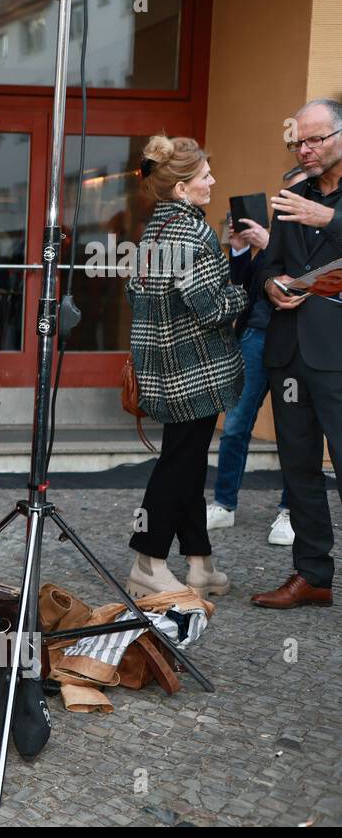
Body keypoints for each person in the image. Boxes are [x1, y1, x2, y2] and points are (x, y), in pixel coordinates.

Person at [125, 135, 246, 601]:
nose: (213, 180)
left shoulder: (154, 231)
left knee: (187, 458)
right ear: (181, 188)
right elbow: (213, 308)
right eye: (204, 175)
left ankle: (200, 563)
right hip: (194, 369)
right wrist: (246, 289)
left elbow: (136, 296)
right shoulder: (191, 232)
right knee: (180, 463)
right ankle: (148, 561)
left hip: (162, 365)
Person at [254, 99, 342, 610]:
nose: (304, 149)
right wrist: (271, 285)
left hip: (337, 356)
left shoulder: (317, 204)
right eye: (298, 142)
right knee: (299, 468)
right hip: (290, 354)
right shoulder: (292, 196)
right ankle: (312, 575)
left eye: (315, 140)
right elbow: (271, 263)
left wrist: (327, 217)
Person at [207, 166, 309, 545]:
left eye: (294, 194)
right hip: (255, 338)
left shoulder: (319, 232)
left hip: (298, 343)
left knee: (294, 431)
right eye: (283, 196)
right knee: (235, 425)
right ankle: (224, 503)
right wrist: (239, 248)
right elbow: (246, 283)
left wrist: (268, 243)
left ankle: (289, 511)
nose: (286, 202)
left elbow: (312, 276)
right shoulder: (275, 230)